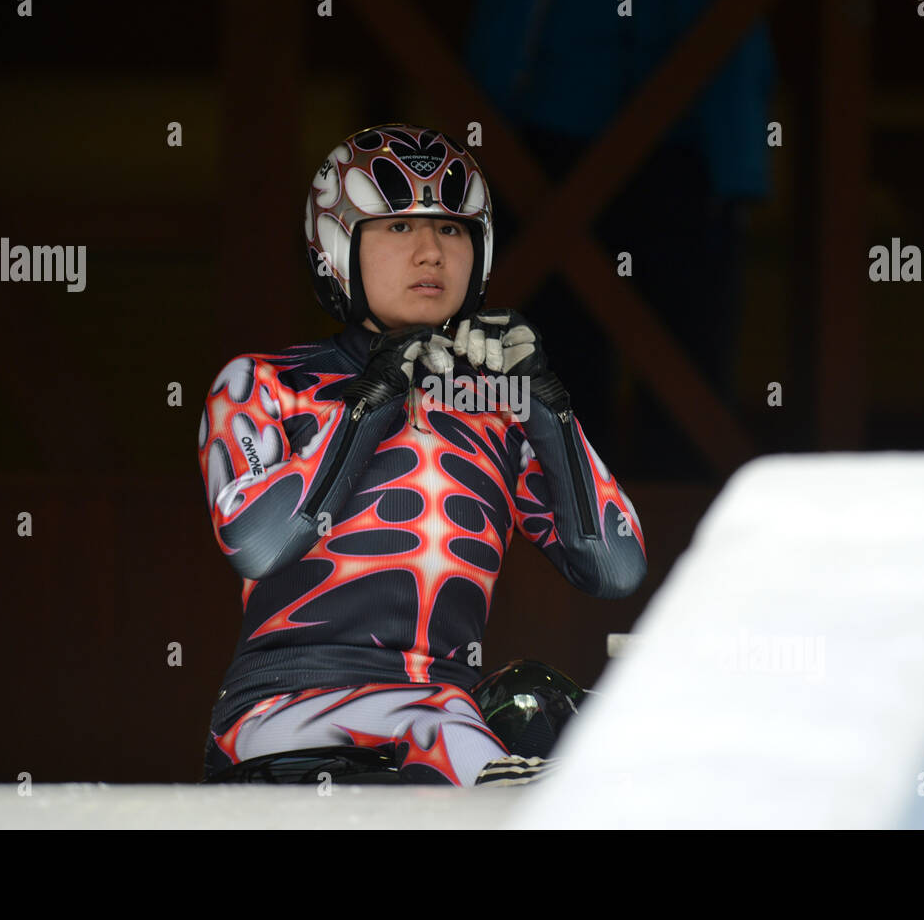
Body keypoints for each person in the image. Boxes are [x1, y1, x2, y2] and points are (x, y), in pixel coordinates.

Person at [198, 123, 647, 786]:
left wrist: (546, 407)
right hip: (280, 715)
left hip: (445, 722)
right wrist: (372, 400)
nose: (432, 252)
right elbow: (258, 543)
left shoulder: (498, 408)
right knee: (445, 723)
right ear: (337, 248)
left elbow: (615, 567)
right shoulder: (262, 382)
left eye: (453, 229)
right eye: (399, 227)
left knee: (552, 708)